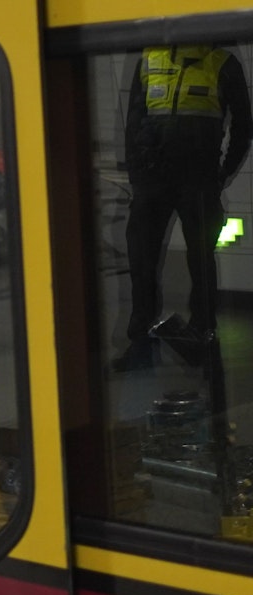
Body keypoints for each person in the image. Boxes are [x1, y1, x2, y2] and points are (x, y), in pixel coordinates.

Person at [117, 44, 252, 370]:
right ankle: (142, 344)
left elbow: (244, 127)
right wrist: (137, 177)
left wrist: (220, 175)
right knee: (141, 260)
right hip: (153, 180)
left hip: (199, 181)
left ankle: (203, 338)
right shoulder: (150, 60)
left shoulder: (222, 62)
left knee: (201, 262)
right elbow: (134, 122)